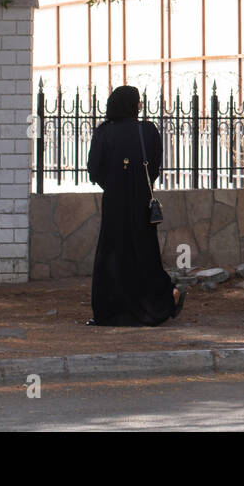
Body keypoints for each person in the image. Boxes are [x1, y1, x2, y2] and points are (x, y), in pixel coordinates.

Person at [86, 85, 183, 326]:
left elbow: (94, 170)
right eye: (138, 101)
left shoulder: (103, 132)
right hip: (141, 201)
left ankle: (110, 310)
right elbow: (155, 167)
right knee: (144, 251)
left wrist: (114, 184)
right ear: (132, 104)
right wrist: (138, 183)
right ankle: (157, 302)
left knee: (112, 252)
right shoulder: (147, 130)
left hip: (114, 202)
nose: (140, 105)